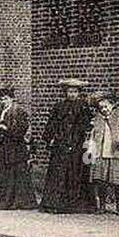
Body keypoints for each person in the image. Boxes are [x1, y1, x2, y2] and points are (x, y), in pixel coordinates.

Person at [40, 79, 95, 213]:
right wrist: (50, 138)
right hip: (61, 143)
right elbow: (51, 123)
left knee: (76, 172)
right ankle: (55, 203)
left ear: (78, 93)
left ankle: (75, 203)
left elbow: (87, 125)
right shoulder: (59, 106)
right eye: (69, 91)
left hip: (77, 145)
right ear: (65, 92)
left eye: (75, 92)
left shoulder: (83, 107)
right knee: (58, 172)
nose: (72, 94)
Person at [0, 86, 38, 210]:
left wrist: (6, 130)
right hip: (2, 148)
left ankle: (14, 201)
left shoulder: (18, 112)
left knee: (15, 175)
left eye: (5, 99)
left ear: (12, 99)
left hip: (14, 149)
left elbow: (21, 130)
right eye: (1, 99)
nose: (3, 101)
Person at [88, 91, 119, 215]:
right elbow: (92, 137)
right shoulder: (97, 120)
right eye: (101, 108)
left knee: (118, 181)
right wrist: (91, 149)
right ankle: (102, 205)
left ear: (112, 106)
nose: (104, 109)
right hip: (101, 154)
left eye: (106, 106)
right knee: (100, 181)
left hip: (115, 153)